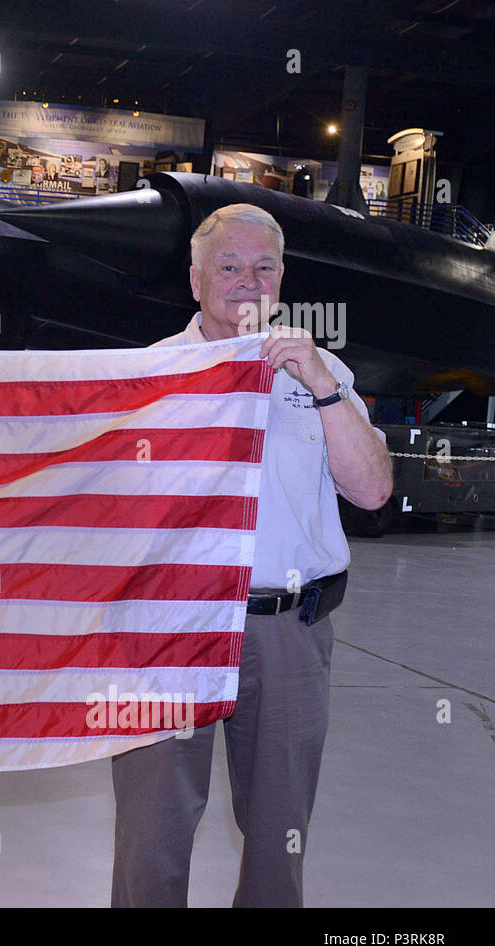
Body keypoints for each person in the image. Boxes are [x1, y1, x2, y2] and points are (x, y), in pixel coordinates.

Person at [109, 203, 393, 907]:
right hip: (169, 630)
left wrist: (323, 386)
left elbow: (374, 489)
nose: (246, 280)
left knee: (279, 834)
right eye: (228, 266)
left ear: (283, 278)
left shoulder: (323, 373)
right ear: (196, 278)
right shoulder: (147, 375)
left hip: (286, 629)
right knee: (153, 834)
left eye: (263, 266)